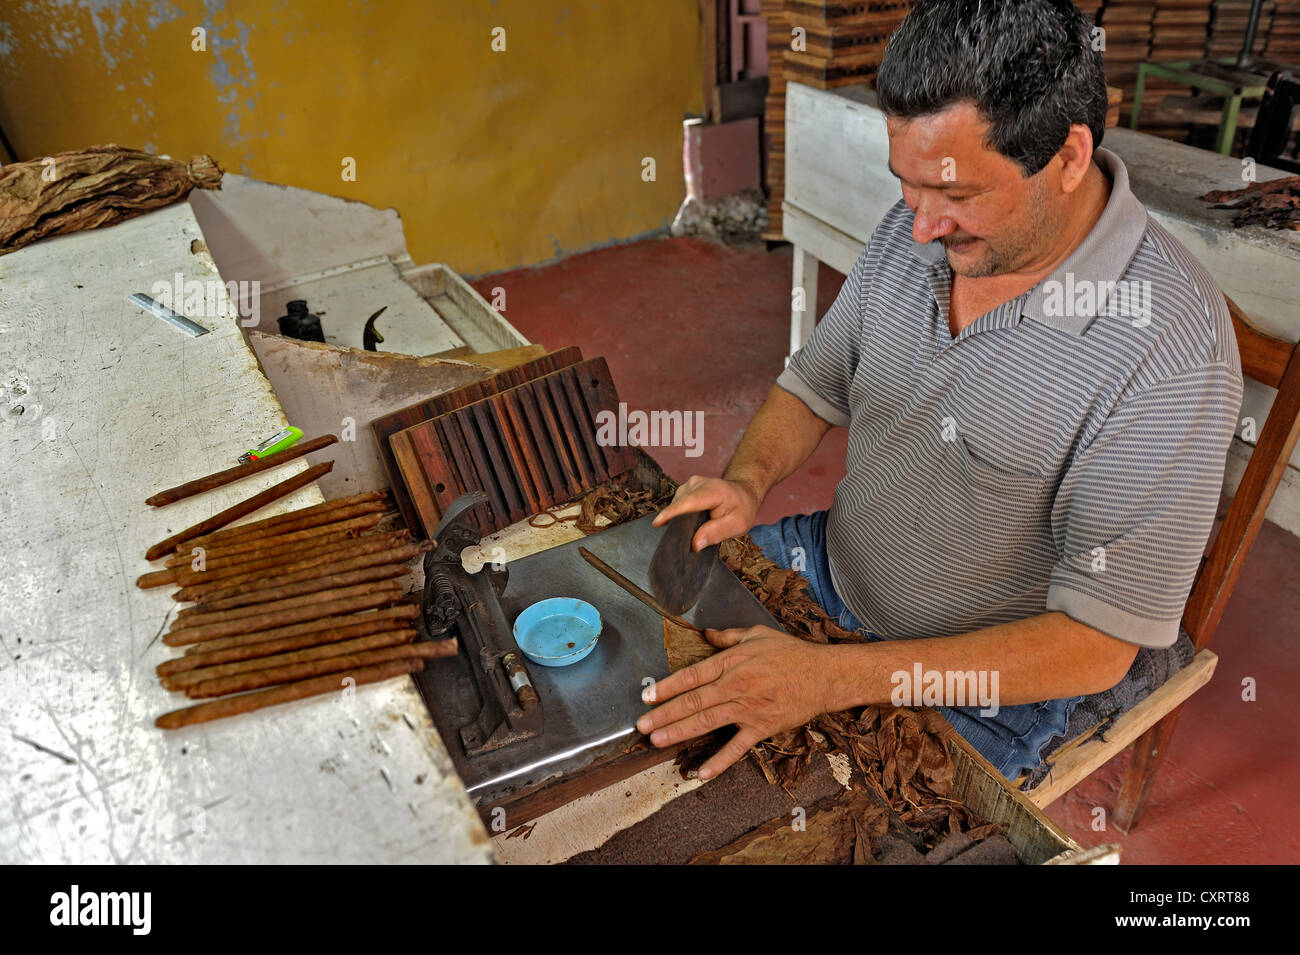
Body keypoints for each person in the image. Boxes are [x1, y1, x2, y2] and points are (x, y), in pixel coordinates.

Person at [637, 0, 1243, 783]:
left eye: (953, 194)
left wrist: (828, 679)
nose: (919, 225)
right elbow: (818, 382)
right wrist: (746, 481)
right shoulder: (924, 225)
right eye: (907, 185)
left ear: (1067, 155)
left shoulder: (1169, 350)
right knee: (636, 674)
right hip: (826, 568)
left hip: (972, 692)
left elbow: (1096, 645)